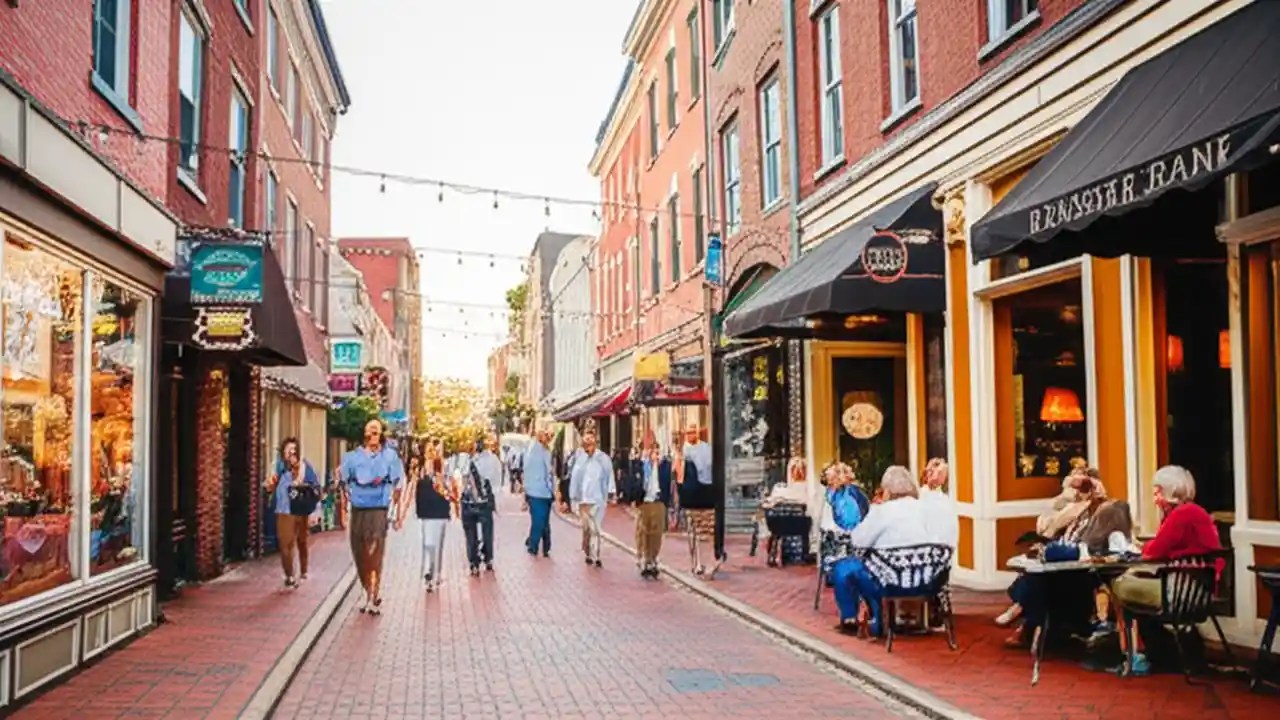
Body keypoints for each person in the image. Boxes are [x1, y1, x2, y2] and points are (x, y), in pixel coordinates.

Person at [1109, 465, 1222, 675]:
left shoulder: (1182, 515)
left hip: (1183, 590)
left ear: (1170, 491)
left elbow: (1156, 550)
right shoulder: (1195, 512)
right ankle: (1162, 651)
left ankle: (1136, 654)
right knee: (1133, 589)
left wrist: (1138, 548)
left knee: (1118, 585)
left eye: (1157, 492)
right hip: (1197, 586)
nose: (1155, 499)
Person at [828, 466, 929, 636]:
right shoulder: (926, 510)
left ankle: (851, 617)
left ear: (887, 490)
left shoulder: (882, 511)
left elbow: (859, 541)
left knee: (844, 569)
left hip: (891, 580)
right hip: (925, 579)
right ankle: (882, 617)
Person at [339, 419, 405, 615]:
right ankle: (368, 588)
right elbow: (343, 484)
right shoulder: (351, 458)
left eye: (376, 432)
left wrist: (396, 512)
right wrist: (343, 511)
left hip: (379, 510)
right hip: (358, 509)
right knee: (359, 554)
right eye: (370, 432)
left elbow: (398, 485)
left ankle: (372, 596)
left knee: (374, 552)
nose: (373, 436)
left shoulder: (390, 457)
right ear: (364, 435)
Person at [399, 443, 457, 593]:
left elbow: (451, 491)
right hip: (426, 512)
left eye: (434, 450)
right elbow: (410, 491)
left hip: (441, 511)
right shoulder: (419, 471)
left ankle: (435, 573)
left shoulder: (442, 470)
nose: (431, 453)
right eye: (429, 450)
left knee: (438, 545)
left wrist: (445, 490)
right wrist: (402, 514)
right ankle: (428, 573)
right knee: (428, 543)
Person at [265, 437, 321, 589]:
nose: (290, 453)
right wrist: (270, 485)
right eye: (287, 450)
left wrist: (316, 510)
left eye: (293, 450)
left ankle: (303, 570)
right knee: (285, 543)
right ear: (282, 452)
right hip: (284, 510)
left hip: (300, 510)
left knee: (302, 541)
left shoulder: (304, 466)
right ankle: (289, 575)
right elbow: (270, 486)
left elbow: (315, 487)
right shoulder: (278, 467)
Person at [677, 425, 719, 578]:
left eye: (692, 432)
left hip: (706, 494)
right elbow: (679, 475)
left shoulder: (706, 448)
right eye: (688, 432)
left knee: (708, 531)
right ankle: (696, 563)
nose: (690, 435)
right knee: (694, 532)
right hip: (691, 497)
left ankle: (709, 560)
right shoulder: (683, 452)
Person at [568, 429, 614, 568]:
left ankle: (596, 555)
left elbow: (609, 475)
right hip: (583, 500)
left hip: (598, 498)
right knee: (587, 528)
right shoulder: (579, 458)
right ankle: (588, 552)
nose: (588, 443)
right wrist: (572, 496)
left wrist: (611, 491)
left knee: (596, 528)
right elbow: (573, 476)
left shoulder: (603, 459)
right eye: (586, 440)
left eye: (591, 440)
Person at [461, 436, 501, 575]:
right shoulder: (492, 460)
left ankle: (474, 562)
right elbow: (496, 480)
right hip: (484, 502)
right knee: (487, 531)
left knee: (471, 533)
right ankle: (487, 558)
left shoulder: (462, 460)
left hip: (468, 501)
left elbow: (456, 480)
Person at [634, 444, 672, 578]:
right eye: (653, 452)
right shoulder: (643, 466)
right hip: (645, 501)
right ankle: (644, 558)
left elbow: (668, 484)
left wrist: (667, 501)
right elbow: (636, 482)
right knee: (644, 531)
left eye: (658, 452)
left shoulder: (664, 467)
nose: (656, 455)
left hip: (658, 500)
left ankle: (653, 558)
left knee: (657, 531)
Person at [523, 428, 556, 558]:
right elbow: (548, 473)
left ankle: (540, 544)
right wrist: (552, 489)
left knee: (539, 519)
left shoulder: (529, 452)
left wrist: (525, 490)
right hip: (542, 492)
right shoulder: (545, 452)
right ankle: (536, 545)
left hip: (532, 492)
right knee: (542, 520)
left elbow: (525, 472)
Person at [919, 458, 959, 548]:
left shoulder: (947, 500)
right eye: (929, 471)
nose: (931, 473)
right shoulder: (921, 495)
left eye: (935, 471)